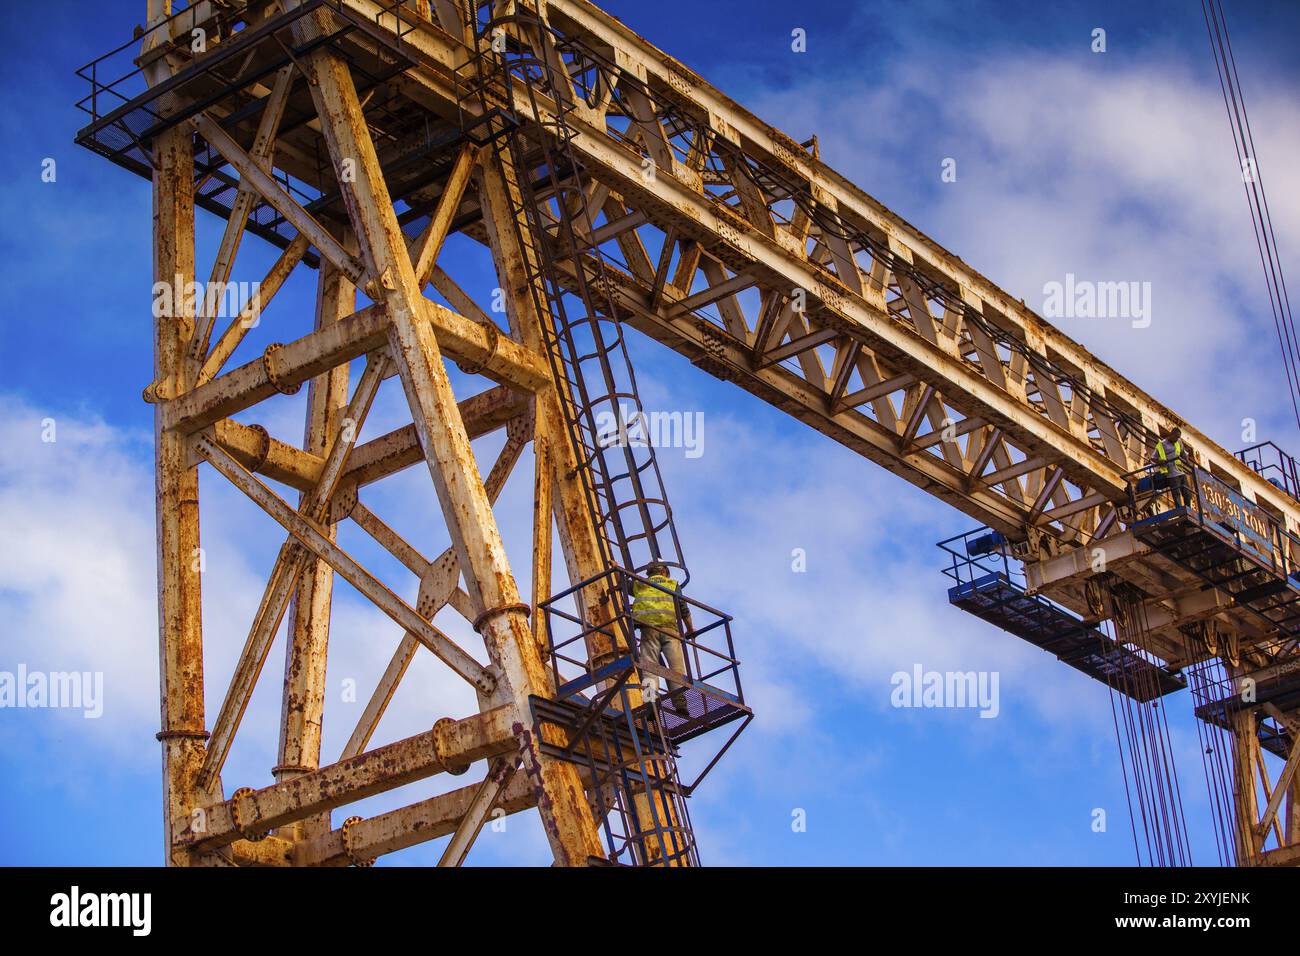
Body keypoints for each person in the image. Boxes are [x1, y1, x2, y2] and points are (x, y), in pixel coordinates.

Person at [631, 561, 692, 714]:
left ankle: (650, 701)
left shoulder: (640, 584)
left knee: (649, 668)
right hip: (670, 630)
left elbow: (622, 582)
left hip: (648, 630)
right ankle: (680, 703)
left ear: (649, 572)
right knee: (676, 669)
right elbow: (683, 607)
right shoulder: (672, 584)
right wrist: (690, 628)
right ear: (665, 572)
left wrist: (614, 566)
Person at [1151, 426, 1192, 509]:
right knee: (1176, 493)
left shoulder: (1179, 442)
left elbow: (1183, 453)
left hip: (1181, 471)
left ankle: (1188, 510)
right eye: (1176, 437)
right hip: (1171, 474)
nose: (1177, 439)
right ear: (1171, 434)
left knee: (1187, 493)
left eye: (1178, 437)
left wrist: (1188, 463)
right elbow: (1153, 458)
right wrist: (1161, 462)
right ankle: (1180, 511)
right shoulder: (1161, 445)